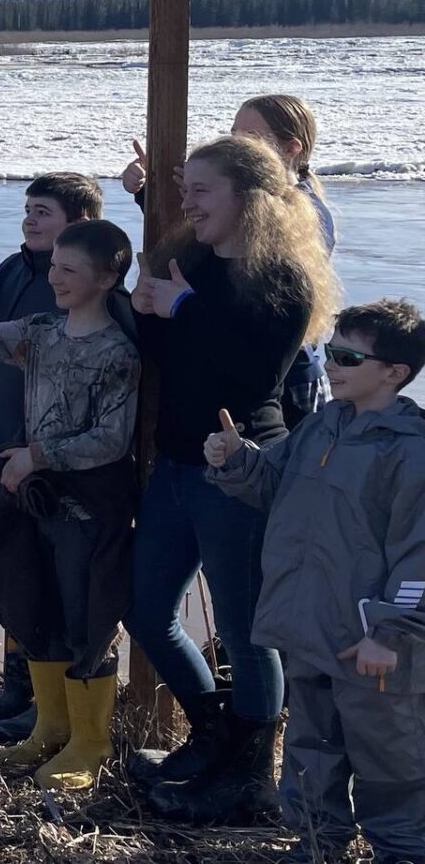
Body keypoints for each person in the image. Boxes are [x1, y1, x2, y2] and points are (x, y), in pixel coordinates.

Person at [124, 133, 342, 824]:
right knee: (146, 609)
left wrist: (182, 309)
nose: (187, 201)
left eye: (200, 190)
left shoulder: (282, 280)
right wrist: (148, 309)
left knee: (249, 634)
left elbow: (250, 375)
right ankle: (215, 738)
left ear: (247, 198)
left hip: (242, 473)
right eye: (185, 188)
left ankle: (250, 779)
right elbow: (163, 353)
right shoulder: (191, 260)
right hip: (175, 468)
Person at [205, 298, 425, 864]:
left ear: (394, 374)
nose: (332, 365)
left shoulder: (410, 452)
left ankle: (402, 852)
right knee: (310, 752)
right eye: (331, 351)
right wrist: (236, 461)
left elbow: (418, 557)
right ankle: (316, 848)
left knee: (390, 765)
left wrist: (390, 633)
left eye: (349, 357)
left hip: (372, 647)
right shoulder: (324, 425)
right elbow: (274, 489)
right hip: (310, 630)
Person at [0, 219, 141, 791]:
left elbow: (111, 439)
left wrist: (37, 455)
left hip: (88, 504)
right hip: (34, 499)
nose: (55, 278)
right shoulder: (43, 331)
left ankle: (90, 743)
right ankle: (50, 728)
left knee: (87, 620)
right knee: (34, 604)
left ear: (107, 278)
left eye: (69, 270)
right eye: (54, 267)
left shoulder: (117, 352)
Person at [0, 173, 104, 740]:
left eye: (44, 212)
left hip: (36, 460)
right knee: (2, 578)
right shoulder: (14, 268)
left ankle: (48, 708)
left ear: (78, 224)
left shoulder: (77, 286)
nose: (30, 219)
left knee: (47, 586)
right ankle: (18, 690)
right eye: (28, 209)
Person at [124, 93, 336, 424]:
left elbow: (256, 368)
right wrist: (152, 193)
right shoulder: (207, 255)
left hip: (289, 382)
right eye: (234, 133)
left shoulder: (296, 234)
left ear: (291, 148)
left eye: (250, 137)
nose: (238, 142)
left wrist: (185, 307)